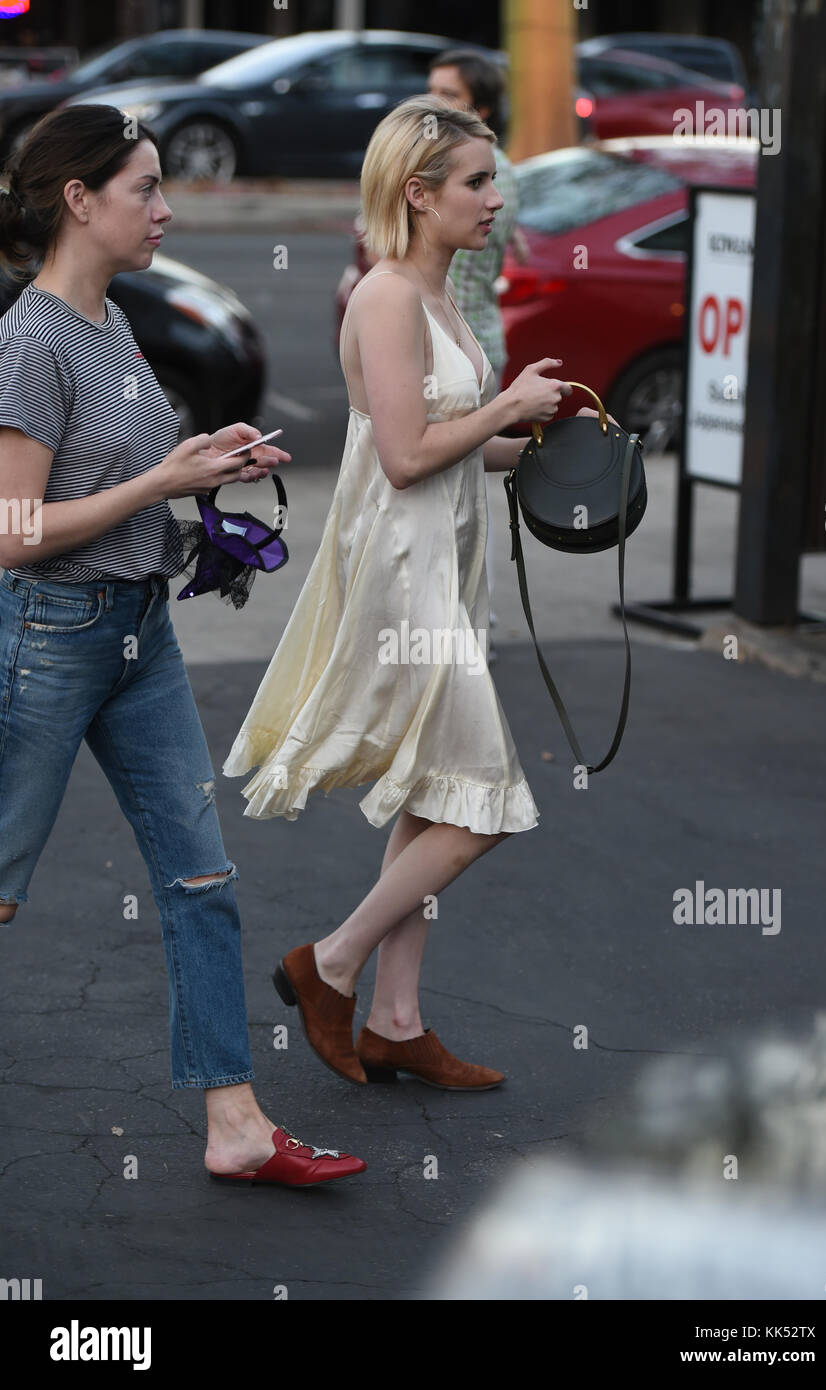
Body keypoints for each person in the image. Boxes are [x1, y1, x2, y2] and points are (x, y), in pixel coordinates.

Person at [0, 105, 365, 1189]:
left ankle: (237, 1126)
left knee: (201, 876)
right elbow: (14, 534)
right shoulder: (30, 339)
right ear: (79, 200)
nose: (165, 209)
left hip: (138, 635)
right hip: (52, 638)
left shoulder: (110, 321)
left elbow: (108, 484)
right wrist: (163, 481)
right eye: (144, 189)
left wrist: (202, 462)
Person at [224, 96, 591, 1090]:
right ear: (418, 194)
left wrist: (546, 446)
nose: (496, 197)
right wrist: (503, 406)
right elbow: (401, 456)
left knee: (432, 793)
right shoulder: (387, 297)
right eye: (477, 181)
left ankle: (394, 1018)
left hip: (444, 562)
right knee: (483, 809)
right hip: (401, 574)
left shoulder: (440, 298)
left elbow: (457, 453)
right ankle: (328, 965)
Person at [427, 49, 530, 660]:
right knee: (445, 483)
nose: (433, 104)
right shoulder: (392, 297)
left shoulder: (494, 175)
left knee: (462, 488)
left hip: (470, 337)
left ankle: (469, 625)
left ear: (481, 108)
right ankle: (457, 627)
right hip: (439, 330)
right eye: (430, 90)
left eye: (449, 94)